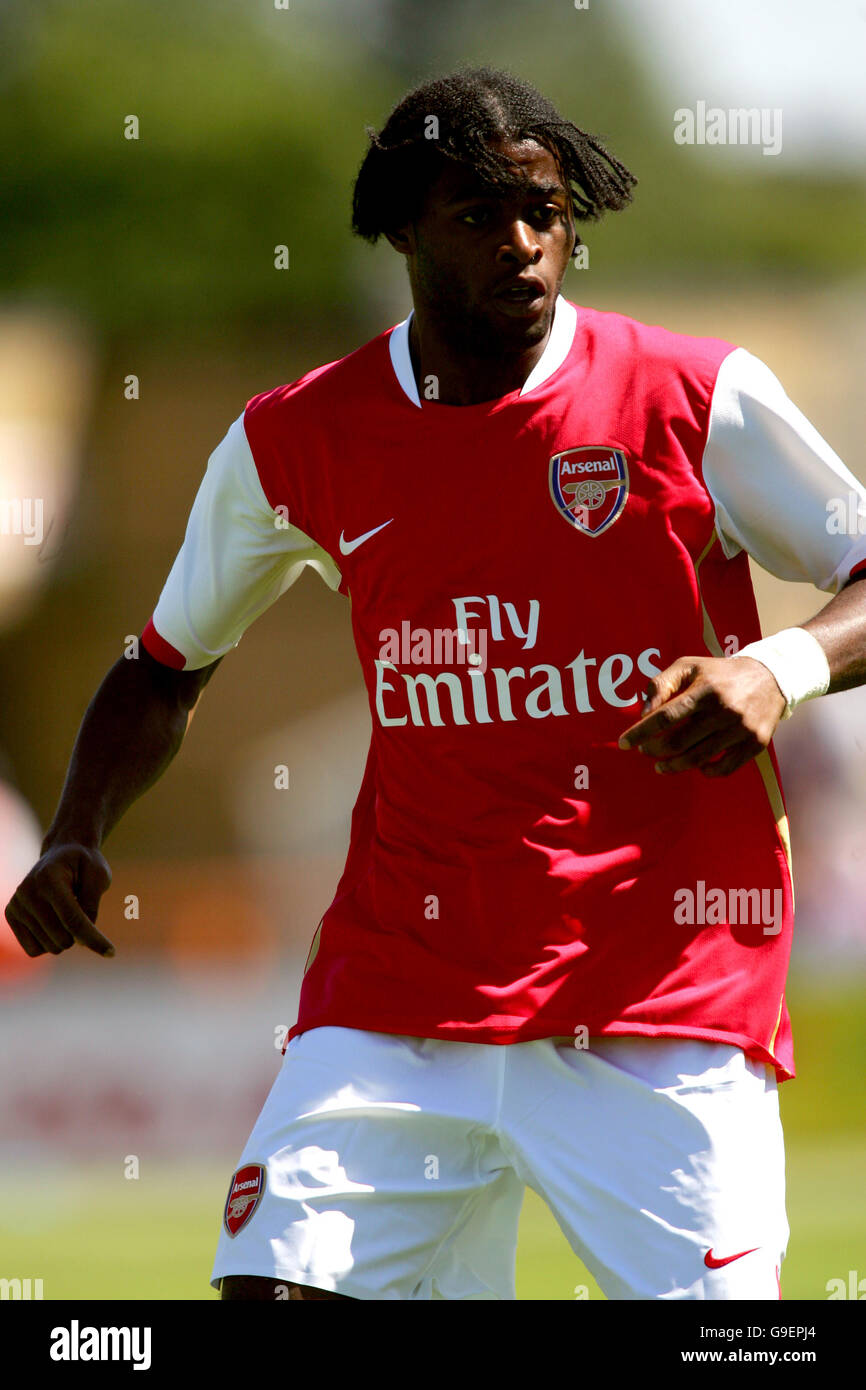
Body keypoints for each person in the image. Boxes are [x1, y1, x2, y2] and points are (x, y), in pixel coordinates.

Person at [6, 67, 866, 1302]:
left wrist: (775, 668)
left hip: (655, 998)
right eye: (478, 214)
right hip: (399, 999)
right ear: (402, 231)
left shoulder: (691, 394)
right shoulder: (295, 439)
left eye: (544, 211)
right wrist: (79, 828)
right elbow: (162, 666)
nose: (522, 243)